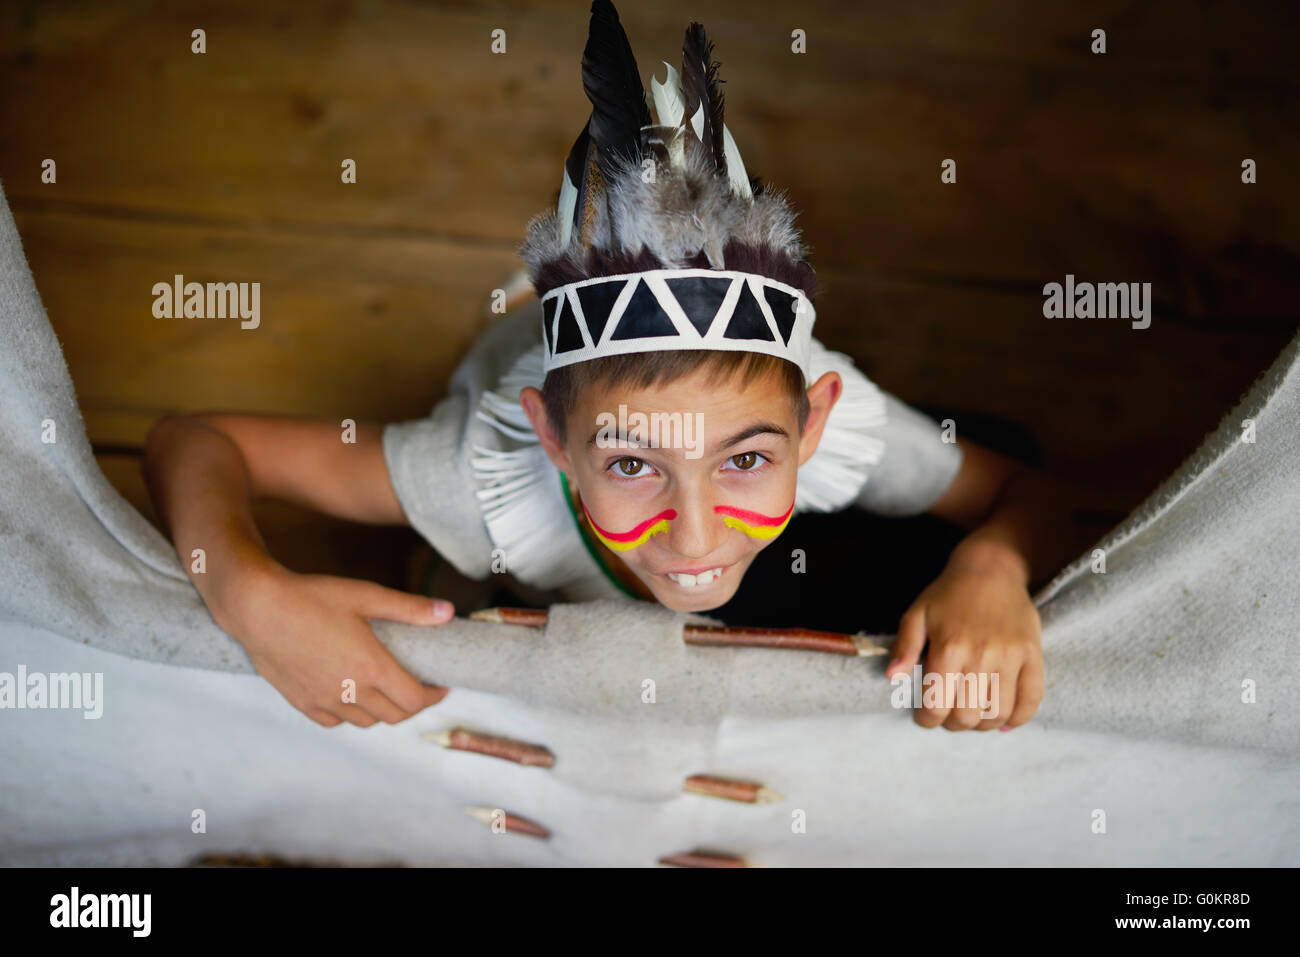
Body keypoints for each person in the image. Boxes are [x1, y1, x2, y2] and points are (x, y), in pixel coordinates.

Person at [144, 0, 1089, 734]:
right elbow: (196, 439)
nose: (695, 531)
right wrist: (250, 593)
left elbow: (1028, 492)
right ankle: (521, 302)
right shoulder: (476, 477)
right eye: (634, 463)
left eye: (748, 460)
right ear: (550, 437)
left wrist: (992, 570)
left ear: (817, 420)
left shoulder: (844, 420)